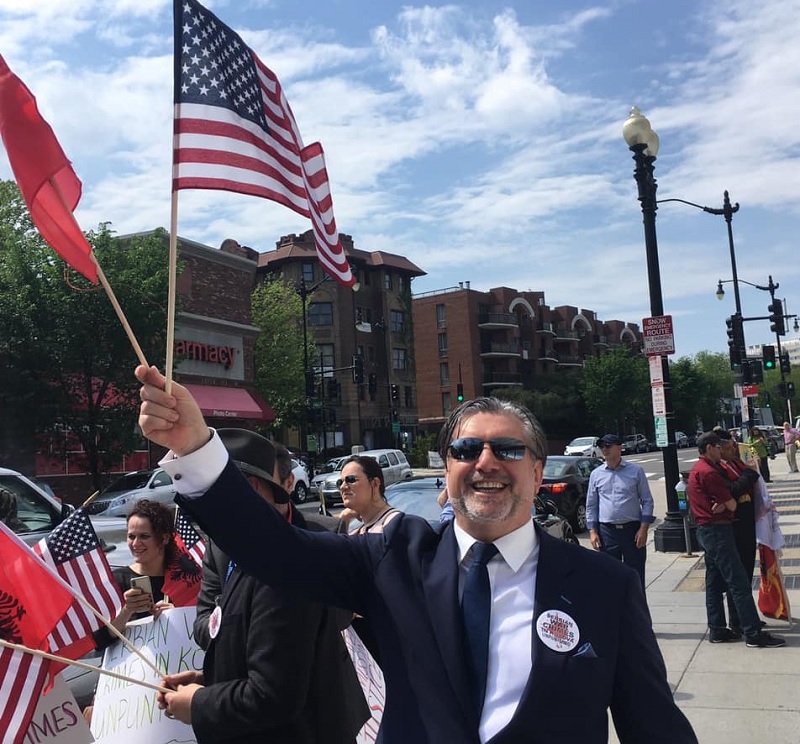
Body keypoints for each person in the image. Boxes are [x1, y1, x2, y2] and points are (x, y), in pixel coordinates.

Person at [136, 365, 697, 744]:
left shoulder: (605, 586)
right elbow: (276, 549)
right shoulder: (392, 558)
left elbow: (654, 726)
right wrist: (195, 447)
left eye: (507, 449)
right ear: (446, 469)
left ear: (536, 469)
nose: (485, 462)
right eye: (466, 449)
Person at [160, 428, 368, 743]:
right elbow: (209, 621)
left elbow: (275, 691)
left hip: (309, 726)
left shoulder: (291, 560)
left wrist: (200, 702)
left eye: (207, 496)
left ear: (249, 489)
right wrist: (215, 678)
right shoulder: (227, 546)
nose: (202, 514)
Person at [687, 432, 785, 648]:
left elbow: (728, 499)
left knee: (714, 582)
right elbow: (732, 503)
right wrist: (727, 502)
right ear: (710, 448)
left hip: (708, 529)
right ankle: (752, 632)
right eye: (719, 447)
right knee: (738, 582)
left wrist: (725, 502)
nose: (723, 450)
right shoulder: (709, 472)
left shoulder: (701, 469)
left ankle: (717, 628)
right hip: (718, 530)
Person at [94, 499, 176, 647]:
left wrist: (177, 615)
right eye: (131, 536)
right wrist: (127, 610)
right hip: (130, 661)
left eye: (144, 536)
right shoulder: (116, 580)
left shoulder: (183, 580)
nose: (136, 543)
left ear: (164, 538)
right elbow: (100, 640)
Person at [586, 434, 654, 591]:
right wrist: (593, 531)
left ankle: (636, 607)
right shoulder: (596, 474)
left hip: (632, 531)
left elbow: (647, 501)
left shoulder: (636, 471)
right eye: (602, 446)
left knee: (635, 578)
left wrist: (643, 529)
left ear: (619, 448)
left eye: (608, 446)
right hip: (607, 532)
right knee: (610, 579)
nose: (604, 449)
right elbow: (591, 505)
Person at [714, 428, 761, 635]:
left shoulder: (735, 463)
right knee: (737, 575)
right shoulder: (719, 468)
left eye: (734, 447)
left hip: (747, 522)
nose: (734, 451)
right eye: (730, 448)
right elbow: (731, 490)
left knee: (747, 570)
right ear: (720, 450)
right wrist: (750, 474)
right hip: (735, 524)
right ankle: (738, 619)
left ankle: (746, 614)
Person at [335, 455, 400, 535]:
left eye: (351, 480)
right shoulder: (356, 531)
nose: (342, 487)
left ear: (375, 484)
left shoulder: (395, 524)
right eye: (340, 482)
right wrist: (343, 519)